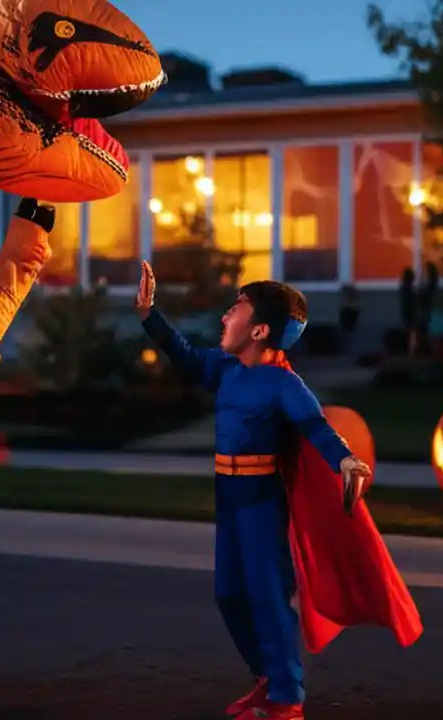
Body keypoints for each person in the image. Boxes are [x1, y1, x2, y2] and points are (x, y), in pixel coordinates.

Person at [135, 261, 422, 720]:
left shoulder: (284, 384)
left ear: (259, 330)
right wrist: (150, 314)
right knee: (228, 595)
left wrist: (345, 459)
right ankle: (267, 679)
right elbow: (184, 353)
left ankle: (288, 699)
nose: (226, 317)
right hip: (227, 500)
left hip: (261, 503)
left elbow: (315, 427)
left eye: (237, 309)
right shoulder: (226, 370)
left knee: (268, 597)